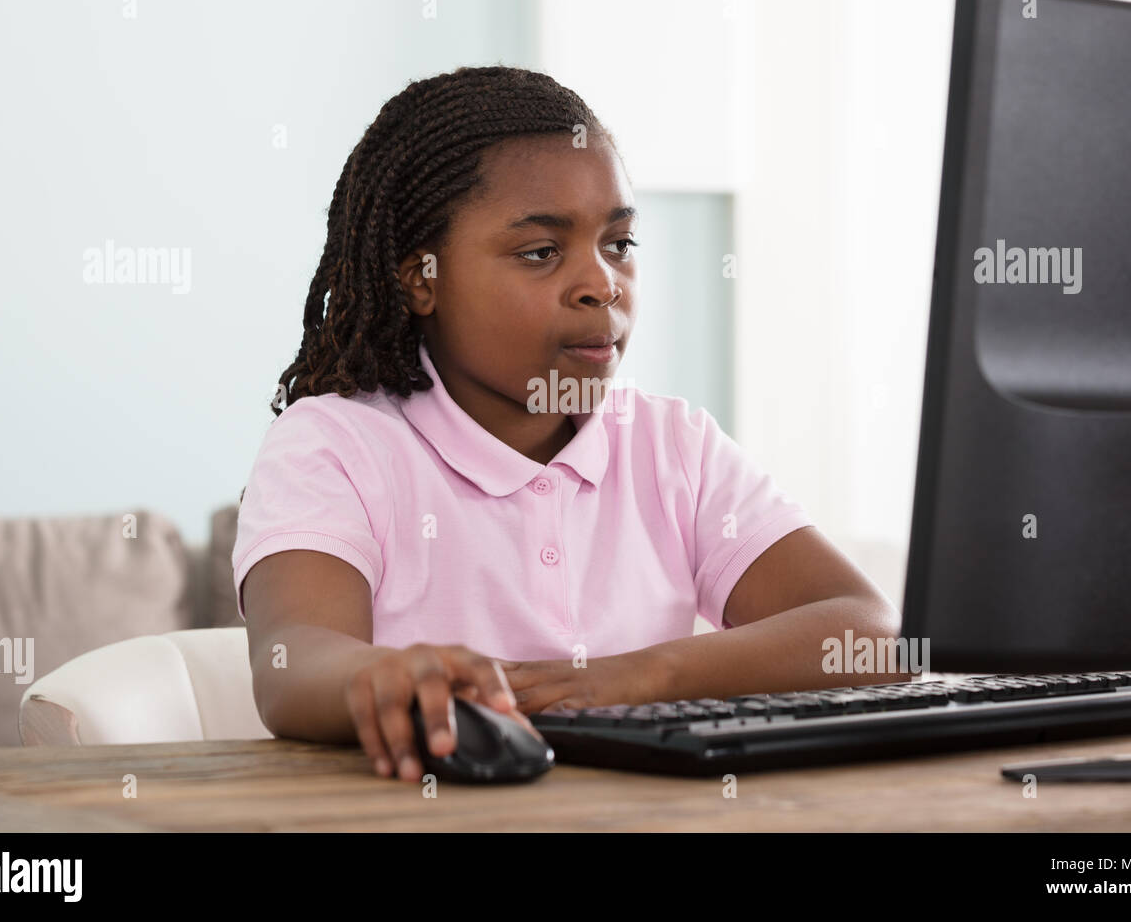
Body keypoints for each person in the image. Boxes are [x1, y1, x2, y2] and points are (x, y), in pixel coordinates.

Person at [233, 65, 904, 783]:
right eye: (541, 252)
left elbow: (867, 631)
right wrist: (385, 675)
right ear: (422, 278)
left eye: (618, 244)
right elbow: (292, 657)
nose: (600, 284)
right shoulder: (335, 445)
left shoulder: (671, 445)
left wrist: (636, 679)